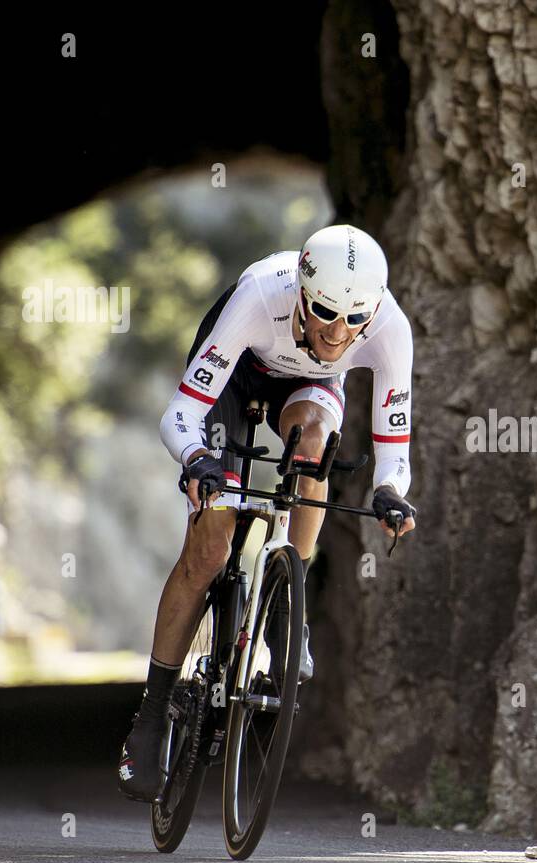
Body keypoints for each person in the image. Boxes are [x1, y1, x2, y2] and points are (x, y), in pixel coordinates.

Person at [117, 224, 417, 803]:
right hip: (234, 374)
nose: (337, 333)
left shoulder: (390, 327)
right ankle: (151, 718)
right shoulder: (260, 294)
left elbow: (396, 451)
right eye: (325, 312)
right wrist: (199, 458)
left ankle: (287, 598)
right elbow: (179, 415)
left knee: (314, 451)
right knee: (209, 548)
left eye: (354, 321)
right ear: (303, 292)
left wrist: (389, 493)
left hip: (306, 388)